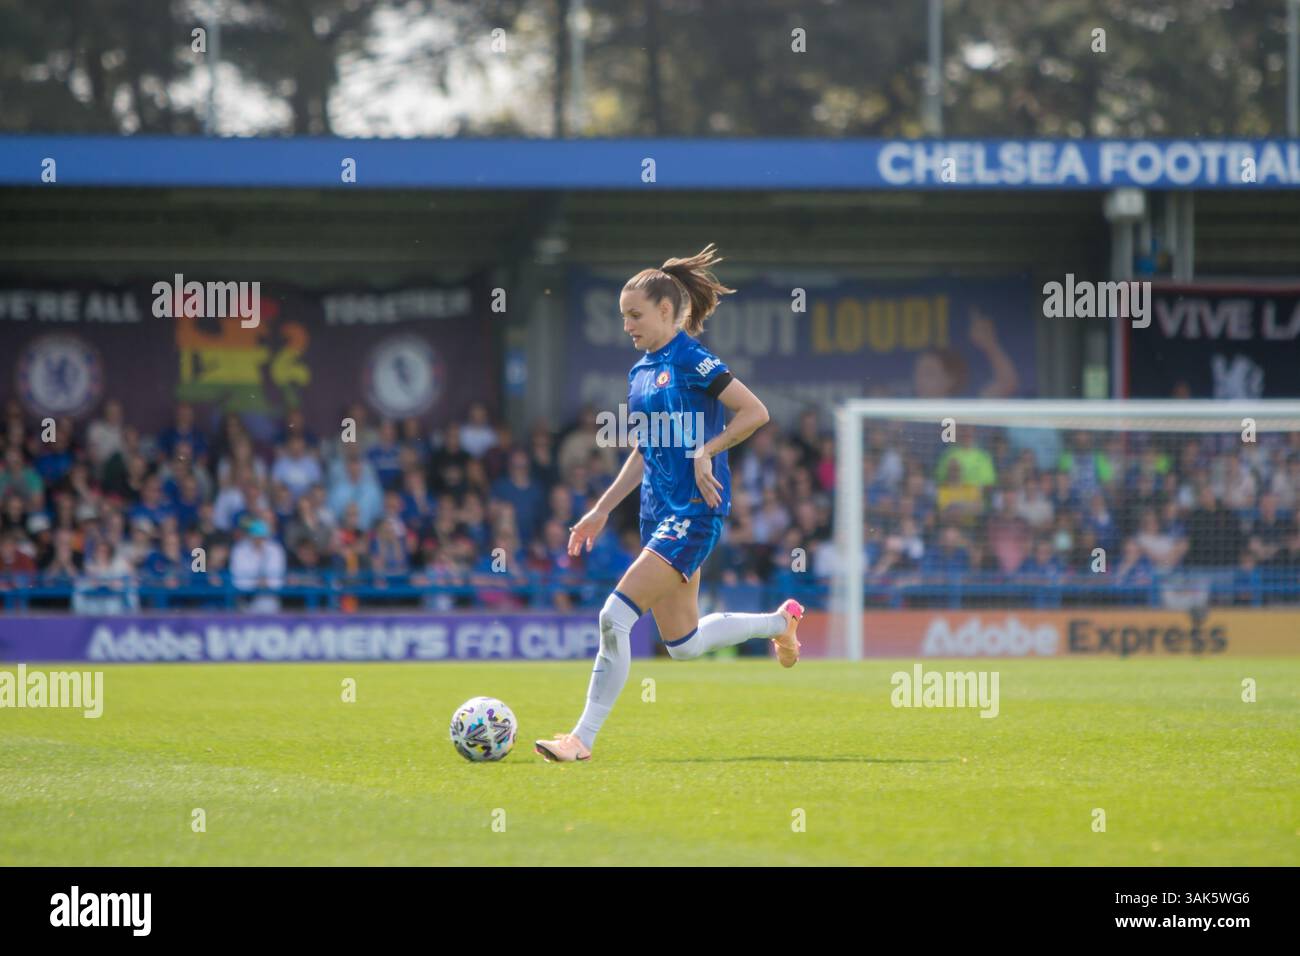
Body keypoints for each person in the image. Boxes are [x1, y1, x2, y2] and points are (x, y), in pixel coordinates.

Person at [534, 244, 803, 764]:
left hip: (694, 514)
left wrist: (707, 449)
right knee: (682, 643)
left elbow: (755, 412)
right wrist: (602, 508)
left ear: (665, 310)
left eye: (634, 315)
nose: (627, 325)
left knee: (614, 616)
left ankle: (581, 739)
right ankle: (780, 623)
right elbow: (644, 449)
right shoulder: (640, 373)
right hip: (656, 513)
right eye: (622, 317)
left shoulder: (692, 359)